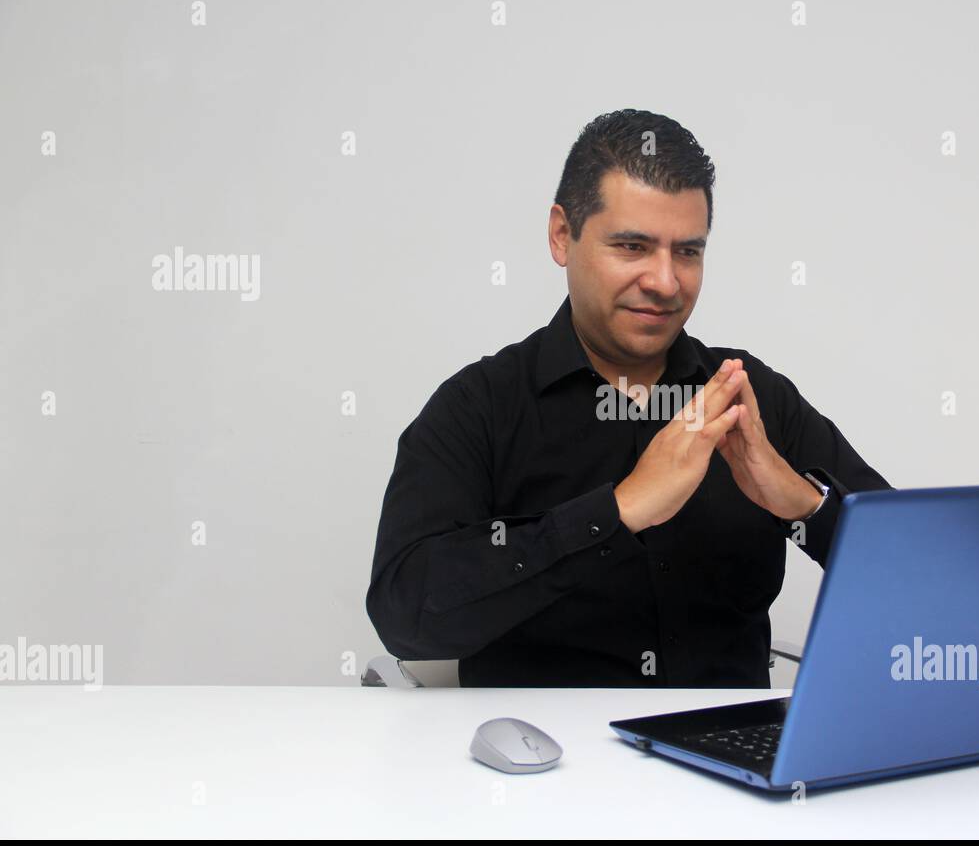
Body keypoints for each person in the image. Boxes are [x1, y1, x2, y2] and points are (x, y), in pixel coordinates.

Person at [365, 108, 891, 687]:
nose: (666, 282)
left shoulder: (751, 394)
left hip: (729, 754)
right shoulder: (479, 407)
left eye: (687, 252)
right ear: (562, 235)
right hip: (543, 762)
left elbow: (919, 573)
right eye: (633, 246)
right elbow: (405, 615)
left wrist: (801, 503)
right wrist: (617, 512)